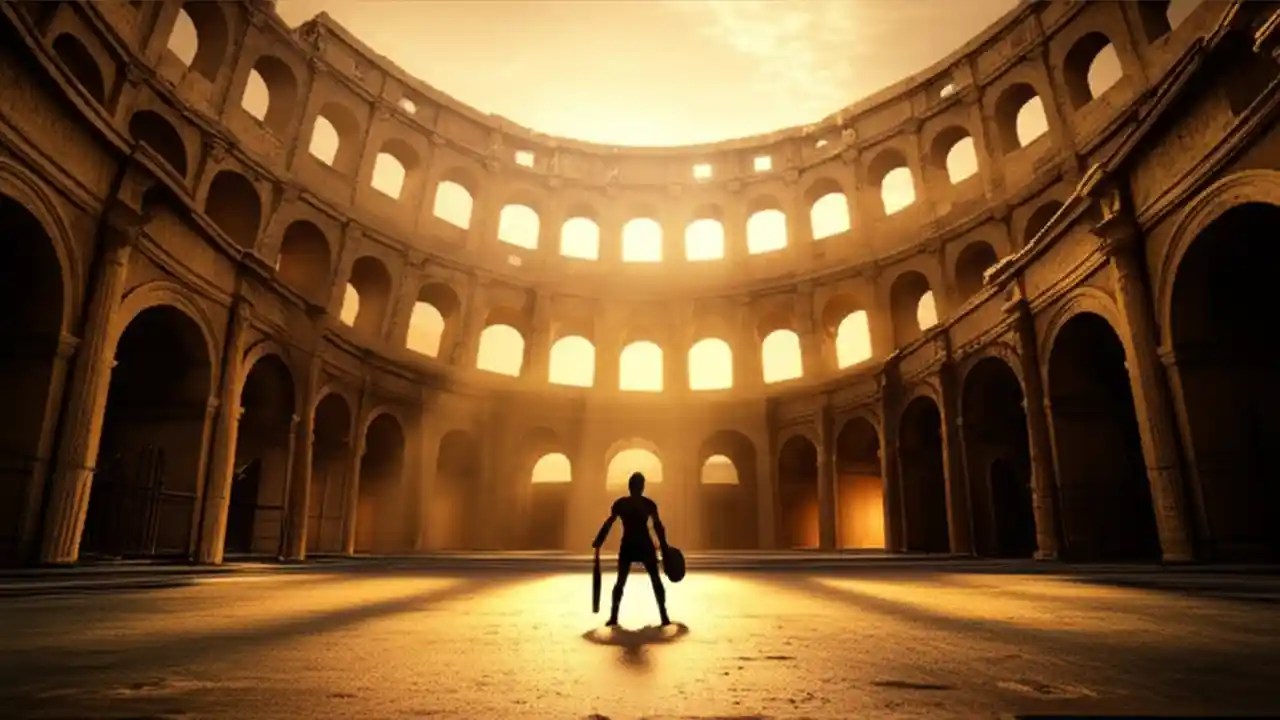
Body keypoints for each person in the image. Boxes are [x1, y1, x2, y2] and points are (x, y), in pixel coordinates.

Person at [592, 471, 670, 626]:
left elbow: (609, 523)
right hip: (642, 544)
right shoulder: (647, 504)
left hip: (630, 544)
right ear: (642, 487)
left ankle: (614, 616)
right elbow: (658, 527)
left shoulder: (622, 504)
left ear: (631, 487)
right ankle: (664, 616)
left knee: (622, 581)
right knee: (654, 580)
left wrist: (599, 540)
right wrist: (664, 546)